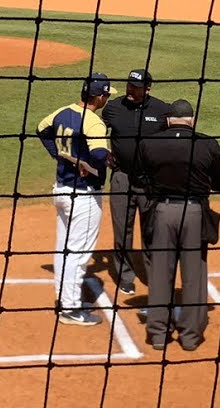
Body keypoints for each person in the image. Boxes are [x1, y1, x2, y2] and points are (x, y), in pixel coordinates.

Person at [135, 98, 220, 351]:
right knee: (194, 276)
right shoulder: (206, 143)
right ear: (193, 120)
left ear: (168, 121)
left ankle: (157, 334)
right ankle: (189, 337)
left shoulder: (150, 143)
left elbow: (141, 177)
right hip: (194, 213)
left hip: (162, 212)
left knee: (160, 274)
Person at [36, 73, 115, 326]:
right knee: (79, 255)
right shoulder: (93, 123)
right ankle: (70, 308)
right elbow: (100, 154)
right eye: (105, 95)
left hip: (61, 190)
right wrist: (106, 160)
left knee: (64, 248)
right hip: (84, 196)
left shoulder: (62, 112)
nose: (106, 99)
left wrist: (60, 156)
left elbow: (41, 130)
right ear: (99, 97)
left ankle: (63, 296)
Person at [100, 68, 171, 296]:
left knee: (151, 231)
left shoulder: (161, 110)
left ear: (148, 89)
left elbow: (177, 134)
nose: (131, 90)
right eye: (130, 85)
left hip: (150, 181)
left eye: (137, 87)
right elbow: (95, 129)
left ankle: (154, 276)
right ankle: (125, 275)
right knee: (122, 231)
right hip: (121, 177)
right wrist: (102, 151)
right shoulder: (113, 108)